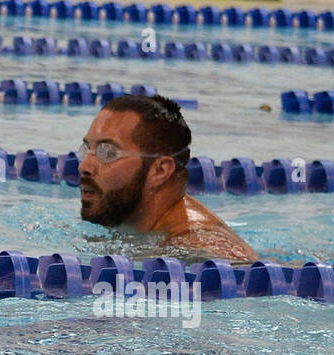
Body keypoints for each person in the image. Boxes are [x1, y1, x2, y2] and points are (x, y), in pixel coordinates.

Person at [78, 94, 257, 262]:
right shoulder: (129, 219)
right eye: (86, 149)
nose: (84, 166)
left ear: (160, 170)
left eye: (108, 152)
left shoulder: (199, 250)